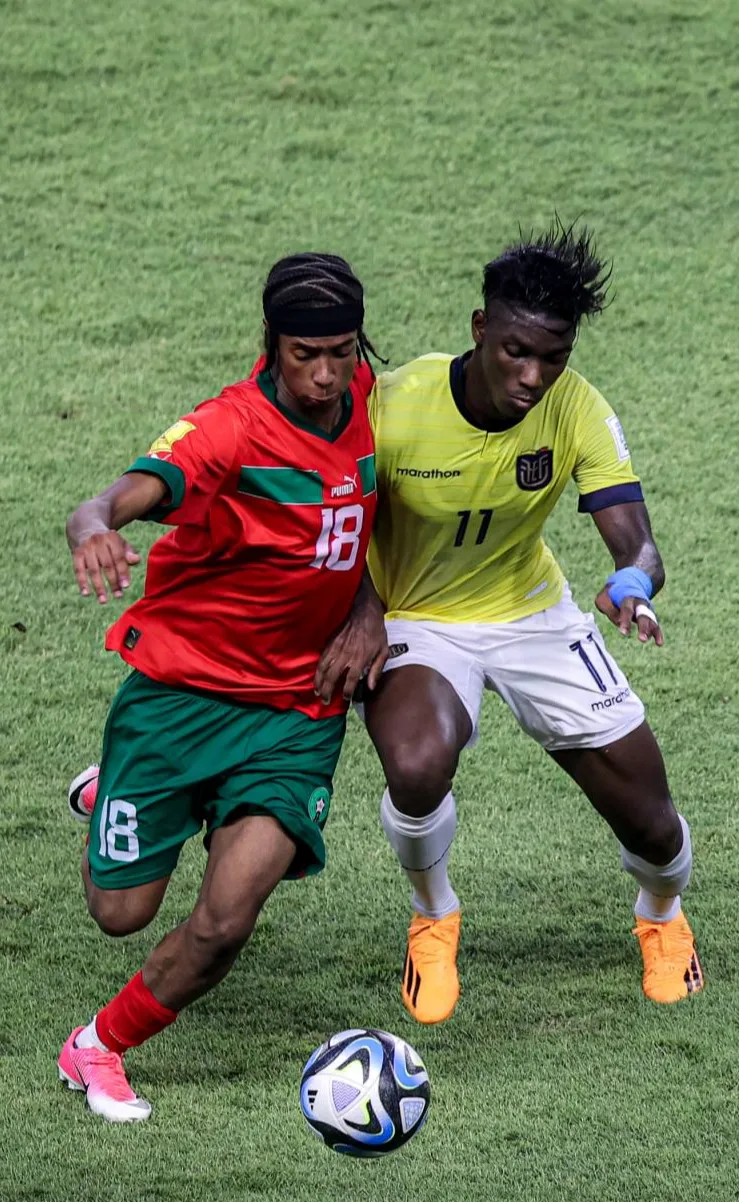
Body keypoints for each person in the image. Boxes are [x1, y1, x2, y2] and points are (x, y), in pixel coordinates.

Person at [332, 222, 702, 1021]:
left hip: (532, 614)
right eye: (516, 352)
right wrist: (364, 610)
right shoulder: (395, 403)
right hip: (419, 618)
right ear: (480, 329)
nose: (534, 376)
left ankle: (662, 914)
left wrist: (632, 581)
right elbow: (336, 522)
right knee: (419, 760)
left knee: (653, 819)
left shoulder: (576, 409)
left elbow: (635, 536)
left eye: (554, 356)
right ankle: (434, 913)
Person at [58, 252, 389, 1122]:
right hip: (182, 701)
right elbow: (109, 499)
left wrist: (370, 611)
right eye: (304, 353)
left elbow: (363, 534)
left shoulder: (374, 408)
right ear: (270, 344)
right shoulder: (227, 430)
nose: (324, 376)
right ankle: (123, 791)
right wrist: (94, 529)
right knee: (120, 912)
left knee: (226, 918)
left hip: (297, 710)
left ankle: (99, 1046)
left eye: (343, 353)